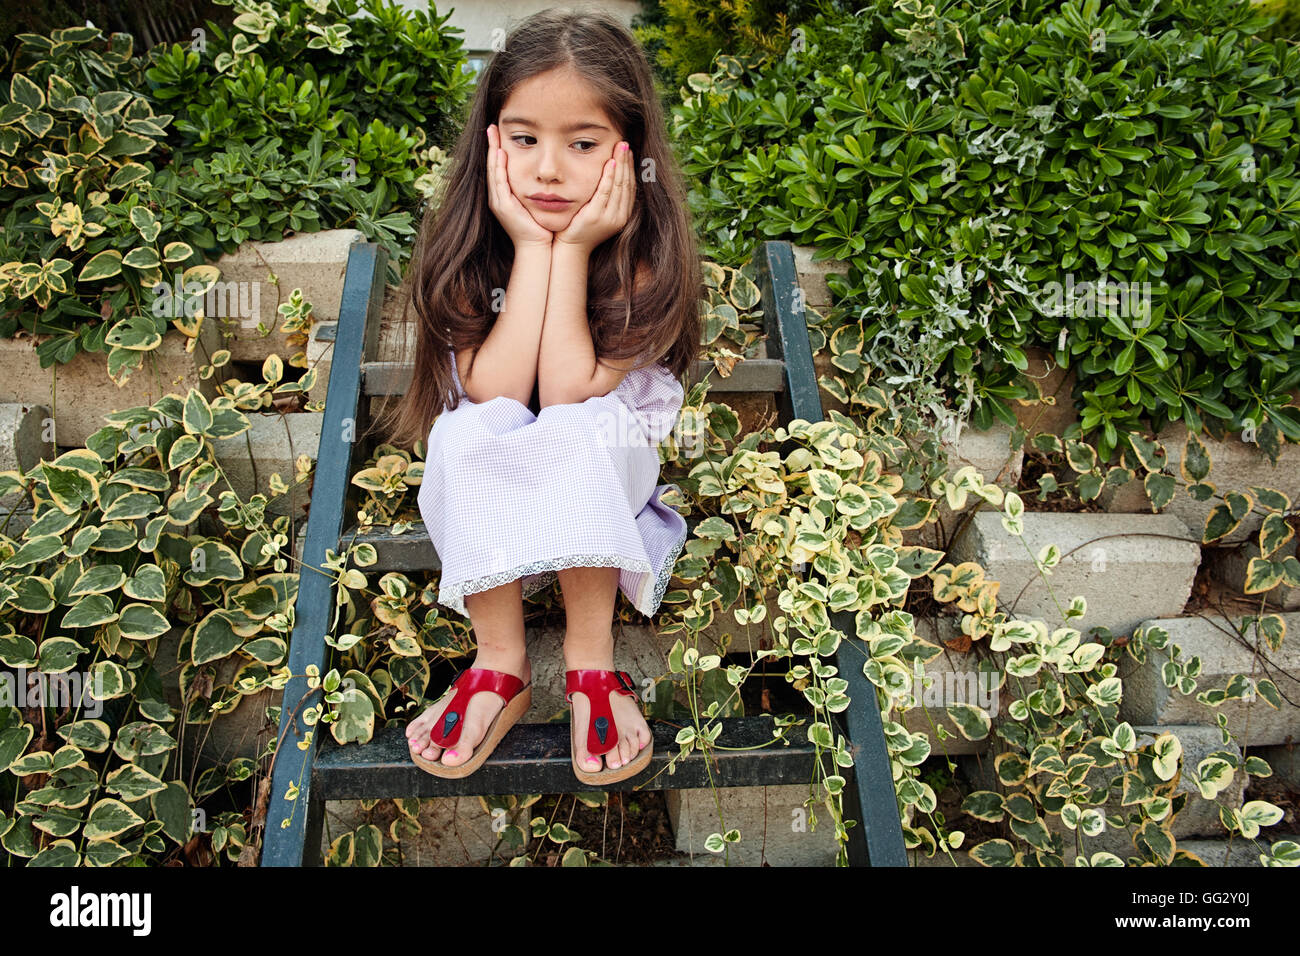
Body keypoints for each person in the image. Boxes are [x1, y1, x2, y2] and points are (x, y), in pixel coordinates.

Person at [374, 9, 701, 784]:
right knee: (465, 430)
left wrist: (578, 246)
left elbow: (565, 396)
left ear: (630, 153)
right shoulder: (467, 251)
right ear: (491, 142)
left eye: (582, 144)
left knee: (581, 428)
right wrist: (528, 246)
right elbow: (492, 389)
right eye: (523, 140)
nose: (548, 169)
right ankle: (501, 660)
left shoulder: (642, 263)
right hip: (500, 466)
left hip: (598, 464)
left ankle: (590, 658)